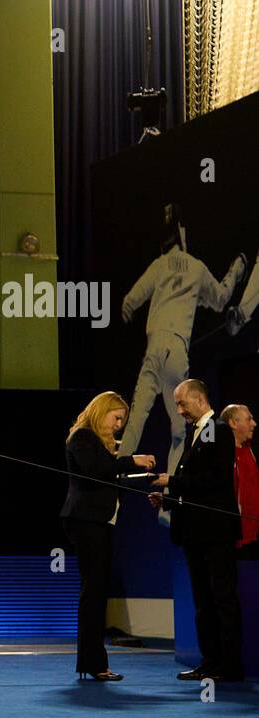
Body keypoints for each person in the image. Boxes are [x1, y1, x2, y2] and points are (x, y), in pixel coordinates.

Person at [118, 204, 246, 485]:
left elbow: (130, 302)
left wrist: (131, 310)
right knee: (179, 430)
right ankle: (171, 494)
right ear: (182, 233)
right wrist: (236, 270)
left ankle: (116, 474)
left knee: (138, 414)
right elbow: (221, 298)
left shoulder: (160, 264)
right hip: (176, 348)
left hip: (154, 346)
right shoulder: (197, 269)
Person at [148, 380, 244, 681]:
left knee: (221, 599)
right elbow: (199, 489)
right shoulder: (196, 432)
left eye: (182, 403)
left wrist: (170, 482)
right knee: (204, 601)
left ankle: (229, 666)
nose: (178, 410)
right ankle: (211, 661)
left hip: (216, 534)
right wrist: (168, 500)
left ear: (199, 399)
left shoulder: (216, 429)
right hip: (197, 533)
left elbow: (213, 481)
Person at [60, 392, 155, 680]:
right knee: (93, 593)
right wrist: (131, 461)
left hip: (98, 522)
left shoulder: (98, 442)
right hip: (86, 522)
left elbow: (106, 474)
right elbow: (94, 471)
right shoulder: (82, 437)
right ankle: (93, 663)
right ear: (102, 411)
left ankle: (93, 663)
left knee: (97, 592)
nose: (118, 425)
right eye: (116, 418)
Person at [221, 403, 259, 560]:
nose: (254, 423)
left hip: (254, 537)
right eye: (249, 419)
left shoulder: (250, 449)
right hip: (236, 540)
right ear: (233, 423)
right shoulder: (222, 457)